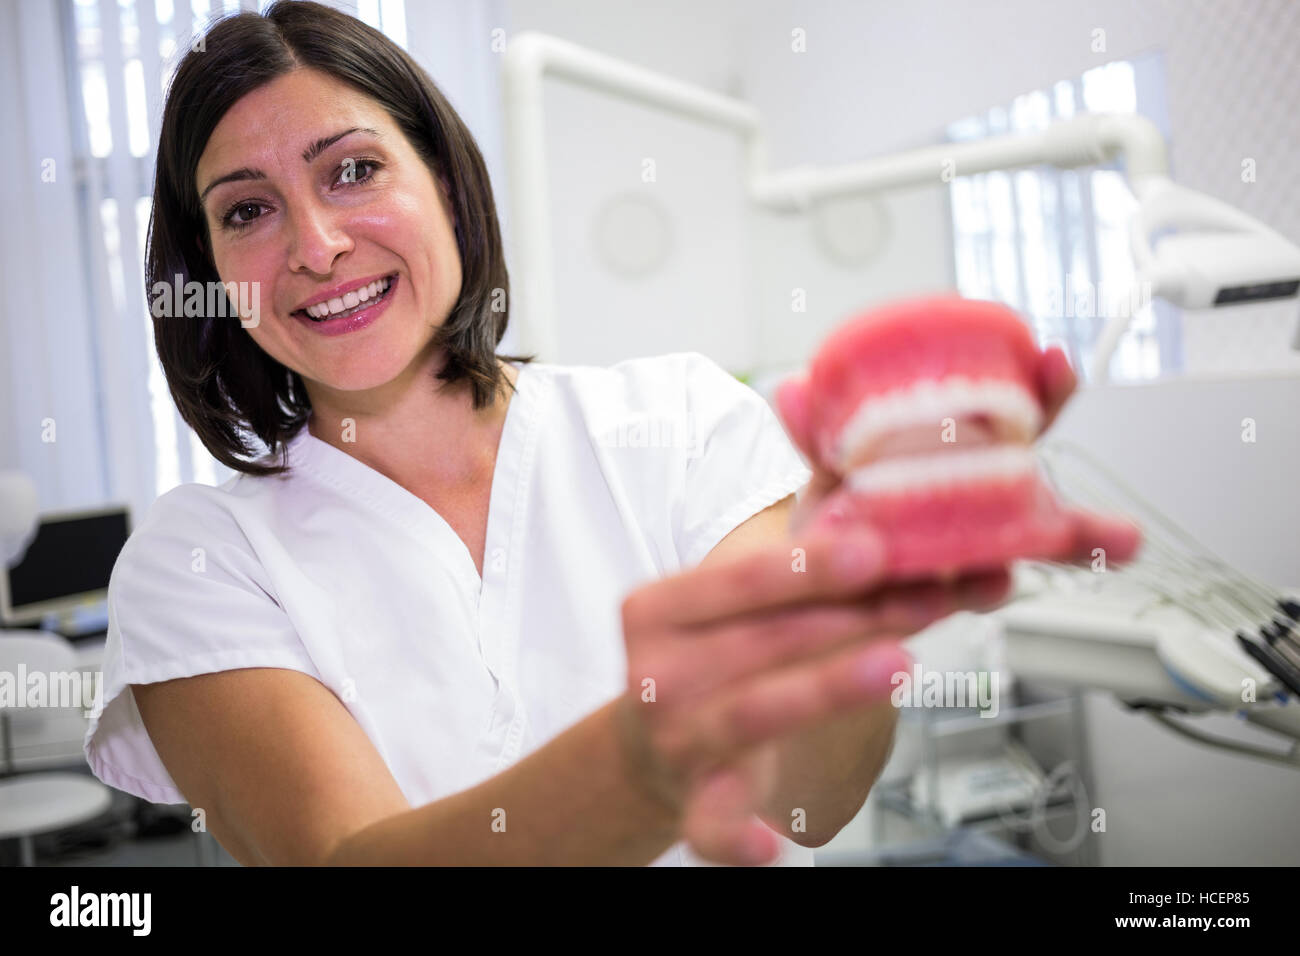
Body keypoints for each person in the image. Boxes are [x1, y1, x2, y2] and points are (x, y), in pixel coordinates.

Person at [85, 0, 1137, 867]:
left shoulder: (676, 422)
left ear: (446, 186)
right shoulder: (201, 561)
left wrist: (845, 609)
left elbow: (811, 800)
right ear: (211, 275)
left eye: (354, 170)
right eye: (245, 211)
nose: (314, 244)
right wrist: (650, 756)